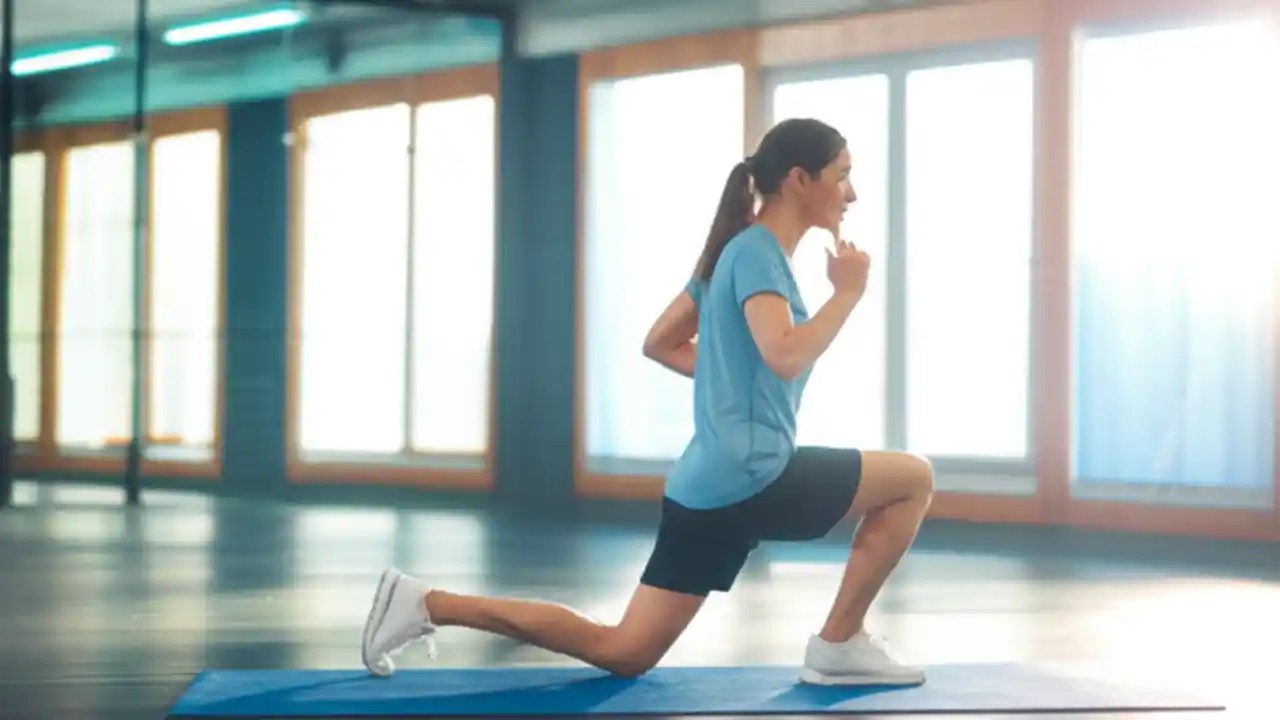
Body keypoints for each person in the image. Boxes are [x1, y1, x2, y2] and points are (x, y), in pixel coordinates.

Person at [360, 118, 934, 686]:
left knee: (624, 650)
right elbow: (783, 354)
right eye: (843, 175)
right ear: (799, 180)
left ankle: (423, 602)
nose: (851, 193)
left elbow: (660, 343)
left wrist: (732, 379)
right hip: (754, 476)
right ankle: (838, 644)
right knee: (913, 477)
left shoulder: (735, 251)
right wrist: (849, 294)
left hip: (705, 488)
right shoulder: (756, 254)